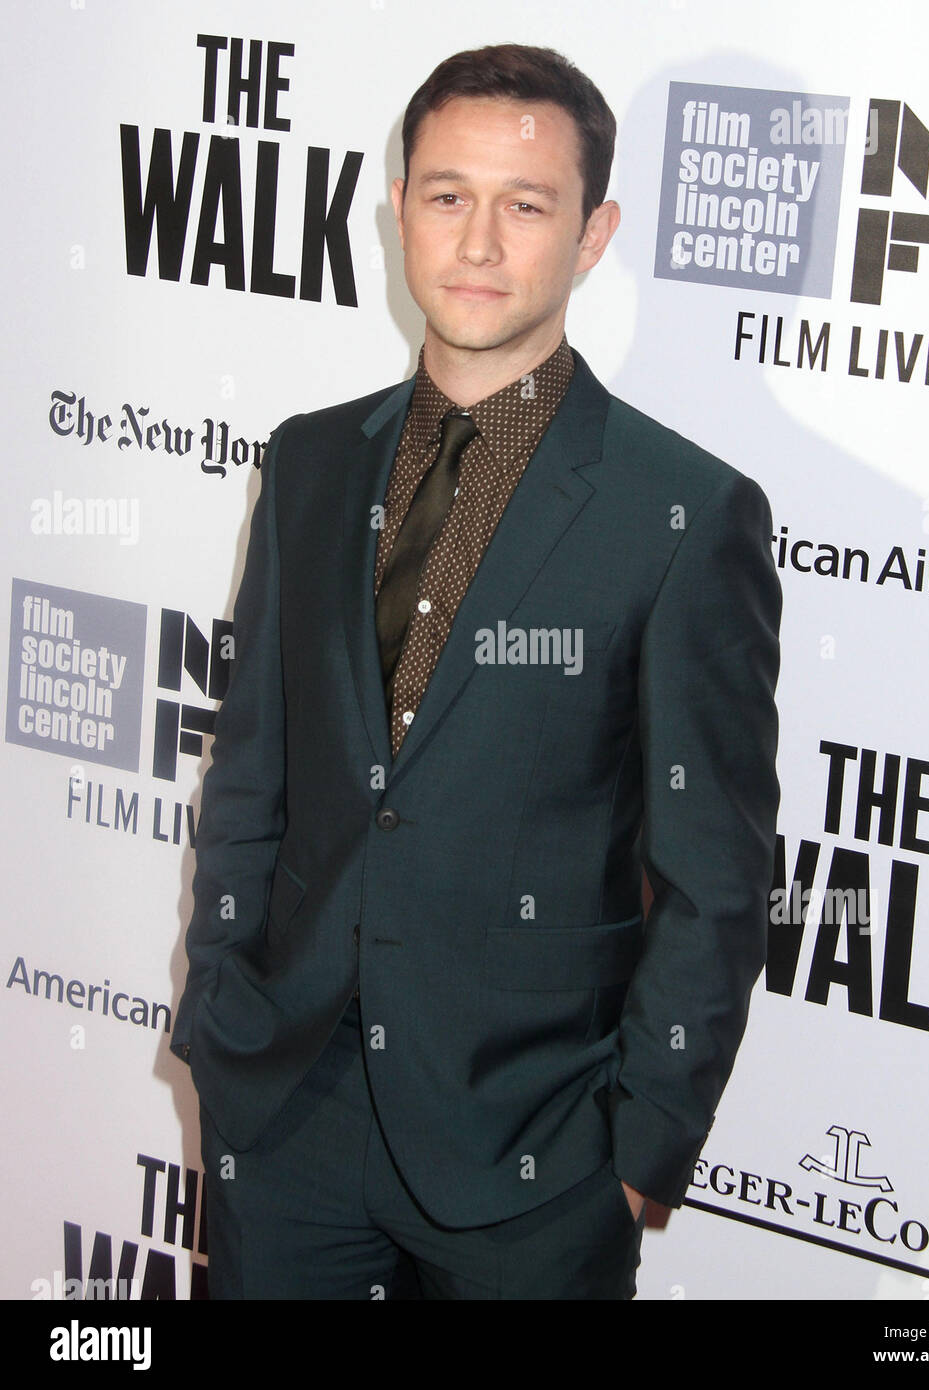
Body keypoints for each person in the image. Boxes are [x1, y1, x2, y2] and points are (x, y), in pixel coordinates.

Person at [172, 42, 781, 1301]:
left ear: (593, 233)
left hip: (533, 1154)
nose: (480, 243)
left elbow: (714, 874)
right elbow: (250, 775)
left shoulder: (683, 513)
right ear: (397, 209)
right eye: (447, 196)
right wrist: (223, 1024)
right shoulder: (310, 462)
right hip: (285, 1119)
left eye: (526, 205)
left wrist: (635, 1155)